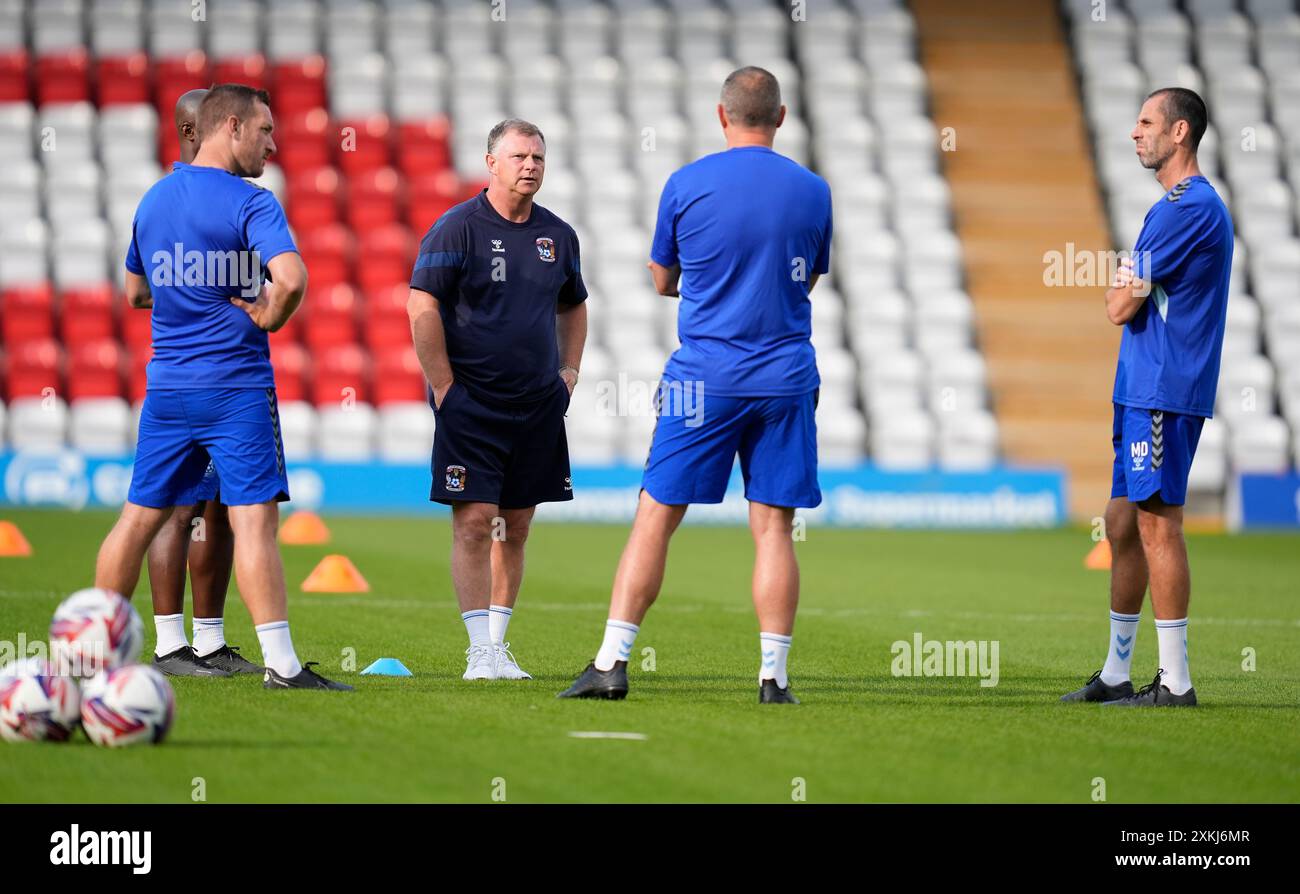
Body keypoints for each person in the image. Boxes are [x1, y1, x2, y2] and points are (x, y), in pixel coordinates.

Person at [559, 66, 831, 703]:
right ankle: (774, 678)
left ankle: (611, 663)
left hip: (703, 376)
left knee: (656, 515)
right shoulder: (814, 190)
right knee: (773, 527)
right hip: (785, 375)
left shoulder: (686, 183)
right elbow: (807, 278)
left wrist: (710, 289)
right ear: (782, 117)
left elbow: (661, 279)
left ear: (721, 115)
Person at [93, 83, 350, 690]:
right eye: (264, 130)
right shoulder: (251, 202)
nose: (273, 143)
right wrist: (269, 313)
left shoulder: (154, 200)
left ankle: (91, 654)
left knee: (138, 519)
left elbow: (134, 293)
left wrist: (189, 295)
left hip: (169, 386)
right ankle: (282, 667)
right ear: (230, 126)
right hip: (234, 386)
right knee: (254, 521)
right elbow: (290, 279)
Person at [1061, 87, 1232, 708]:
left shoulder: (1185, 209)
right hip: (1140, 386)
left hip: (1162, 388)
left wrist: (1123, 284)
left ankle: (1177, 683)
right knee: (1121, 524)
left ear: (1180, 132)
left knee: (1159, 526)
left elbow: (1118, 304)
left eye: (1145, 122)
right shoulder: (1176, 207)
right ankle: (1116, 673)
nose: (1135, 133)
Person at [407, 118, 588, 681]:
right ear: (491, 163)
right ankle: (477, 649)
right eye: (518, 156)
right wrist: (442, 387)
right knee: (475, 522)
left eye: (538, 156)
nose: (530, 165)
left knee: (517, 525)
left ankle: (499, 646)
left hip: (538, 404)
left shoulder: (557, 236)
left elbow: (574, 305)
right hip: (472, 404)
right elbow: (421, 306)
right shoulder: (456, 228)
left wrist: (569, 371)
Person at [142, 87, 257, 678]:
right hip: (195, 377)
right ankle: (167, 645)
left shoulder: (232, 200)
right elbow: (138, 288)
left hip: (228, 374)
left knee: (217, 508)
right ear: (193, 133)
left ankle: (208, 642)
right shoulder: (168, 201)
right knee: (175, 507)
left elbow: (139, 290)